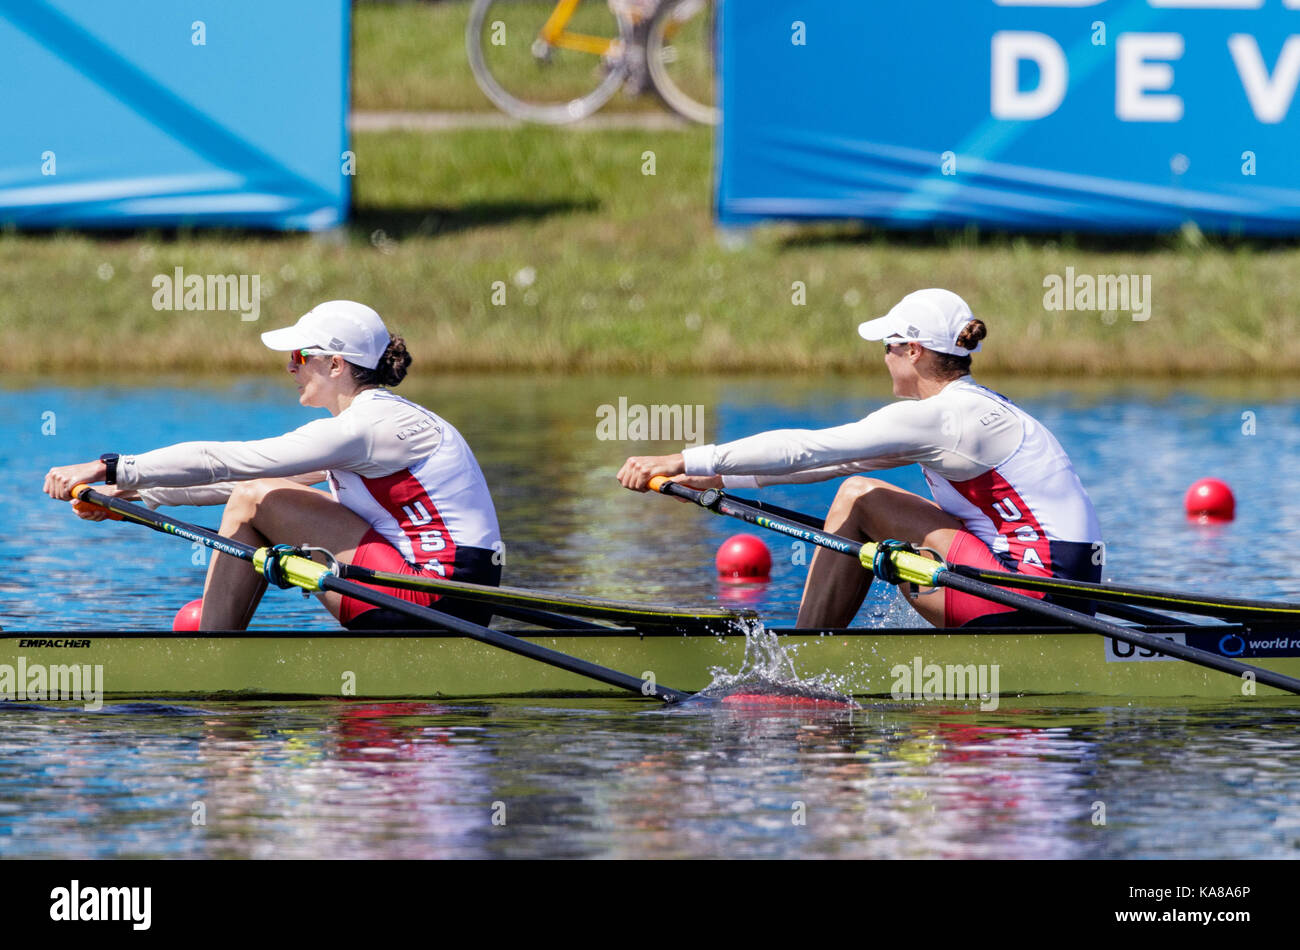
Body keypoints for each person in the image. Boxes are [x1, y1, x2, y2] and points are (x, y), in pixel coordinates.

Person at [616, 288, 1102, 629]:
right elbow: (829, 464)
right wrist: (713, 481)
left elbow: (807, 448)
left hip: (1029, 598)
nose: (883, 357)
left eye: (887, 347)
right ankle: (814, 644)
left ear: (912, 351)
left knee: (860, 498)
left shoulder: (944, 417)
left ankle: (803, 657)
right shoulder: (968, 409)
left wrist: (682, 460)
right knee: (855, 485)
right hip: (1061, 592)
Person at [44, 300, 502, 631]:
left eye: (301, 357)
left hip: (432, 598)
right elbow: (249, 478)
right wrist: (131, 497)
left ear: (337, 364)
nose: (290, 368)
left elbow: (227, 463)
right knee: (257, 492)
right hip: (450, 597)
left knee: (254, 498)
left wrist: (107, 467)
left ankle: (212, 654)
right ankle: (217, 638)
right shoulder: (375, 424)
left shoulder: (365, 426)